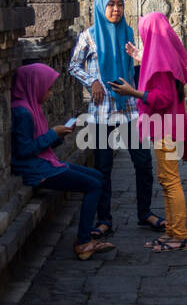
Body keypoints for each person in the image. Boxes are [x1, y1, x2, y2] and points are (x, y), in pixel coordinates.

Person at [67, 0, 166, 241]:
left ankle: (145, 212)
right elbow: (74, 66)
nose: (115, 9)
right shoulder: (89, 36)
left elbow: (139, 66)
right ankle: (104, 219)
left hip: (130, 109)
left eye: (119, 4)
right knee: (103, 167)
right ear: (101, 7)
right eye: (110, 5)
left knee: (143, 163)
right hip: (101, 112)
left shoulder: (128, 33)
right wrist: (92, 82)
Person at [10, 63, 114, 260]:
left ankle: (88, 231)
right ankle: (83, 241)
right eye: (48, 88)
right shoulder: (23, 112)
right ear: (34, 86)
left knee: (98, 177)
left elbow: (41, 144)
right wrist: (52, 134)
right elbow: (24, 150)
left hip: (44, 162)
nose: (50, 93)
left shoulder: (32, 107)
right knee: (92, 185)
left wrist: (59, 135)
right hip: (36, 169)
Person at [108, 12, 187, 252]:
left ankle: (180, 235)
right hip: (168, 124)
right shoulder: (167, 56)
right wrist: (139, 56)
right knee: (166, 179)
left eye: (145, 34)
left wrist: (132, 92)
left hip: (166, 126)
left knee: (171, 181)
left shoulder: (161, 65)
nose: (144, 38)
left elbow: (162, 98)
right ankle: (172, 231)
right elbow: (159, 74)